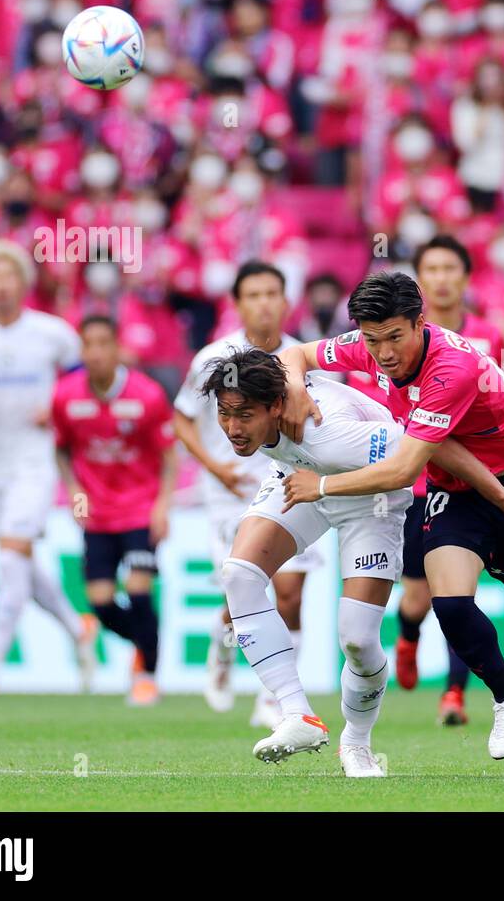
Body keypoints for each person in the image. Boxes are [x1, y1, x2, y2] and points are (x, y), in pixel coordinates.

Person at [198, 346, 504, 776]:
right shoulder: (275, 403)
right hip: (303, 480)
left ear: (275, 407)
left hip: (372, 499)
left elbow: (429, 448)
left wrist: (500, 496)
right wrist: (317, 481)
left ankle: (357, 742)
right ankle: (297, 715)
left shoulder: (328, 430)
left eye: (244, 415)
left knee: (358, 642)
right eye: (225, 414)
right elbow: (291, 356)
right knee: (239, 574)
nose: (232, 428)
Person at [276, 269, 504, 778]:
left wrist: (319, 487)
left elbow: (406, 468)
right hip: (459, 493)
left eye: (394, 338)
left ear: (419, 323)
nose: (383, 353)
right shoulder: (368, 344)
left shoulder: (450, 368)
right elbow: (294, 354)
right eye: (372, 340)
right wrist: (296, 387)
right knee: (449, 604)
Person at [172, 261, 321, 728]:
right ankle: (222, 653)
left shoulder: (306, 359)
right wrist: (214, 466)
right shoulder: (214, 359)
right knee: (243, 590)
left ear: (285, 301)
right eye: (253, 295)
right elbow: (180, 419)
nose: (264, 303)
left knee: (291, 594)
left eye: (272, 293)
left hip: (288, 487)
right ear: (238, 304)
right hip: (231, 492)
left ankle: (275, 698)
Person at [0, 240, 97, 694]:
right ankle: (78, 628)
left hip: (35, 456)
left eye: (11, 276)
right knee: (21, 563)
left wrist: (57, 407)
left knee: (11, 554)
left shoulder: (52, 333)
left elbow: (80, 382)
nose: (4, 285)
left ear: (24, 283)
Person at [394, 235, 504, 725]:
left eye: (450, 268)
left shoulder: (488, 338)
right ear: (419, 279)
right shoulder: (402, 339)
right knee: (417, 601)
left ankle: (454, 694)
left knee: (457, 596)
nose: (441, 278)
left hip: (467, 485)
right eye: (431, 269)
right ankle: (408, 634)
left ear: (465, 277)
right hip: (416, 484)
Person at [53, 315, 177, 706]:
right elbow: (61, 448)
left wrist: (162, 505)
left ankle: (146, 675)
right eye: (88, 344)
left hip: (140, 510)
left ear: (117, 347)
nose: (96, 352)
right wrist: (74, 491)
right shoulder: (65, 396)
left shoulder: (147, 395)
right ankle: (145, 643)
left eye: (104, 343)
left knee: (139, 592)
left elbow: (169, 455)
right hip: (97, 515)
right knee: (102, 603)